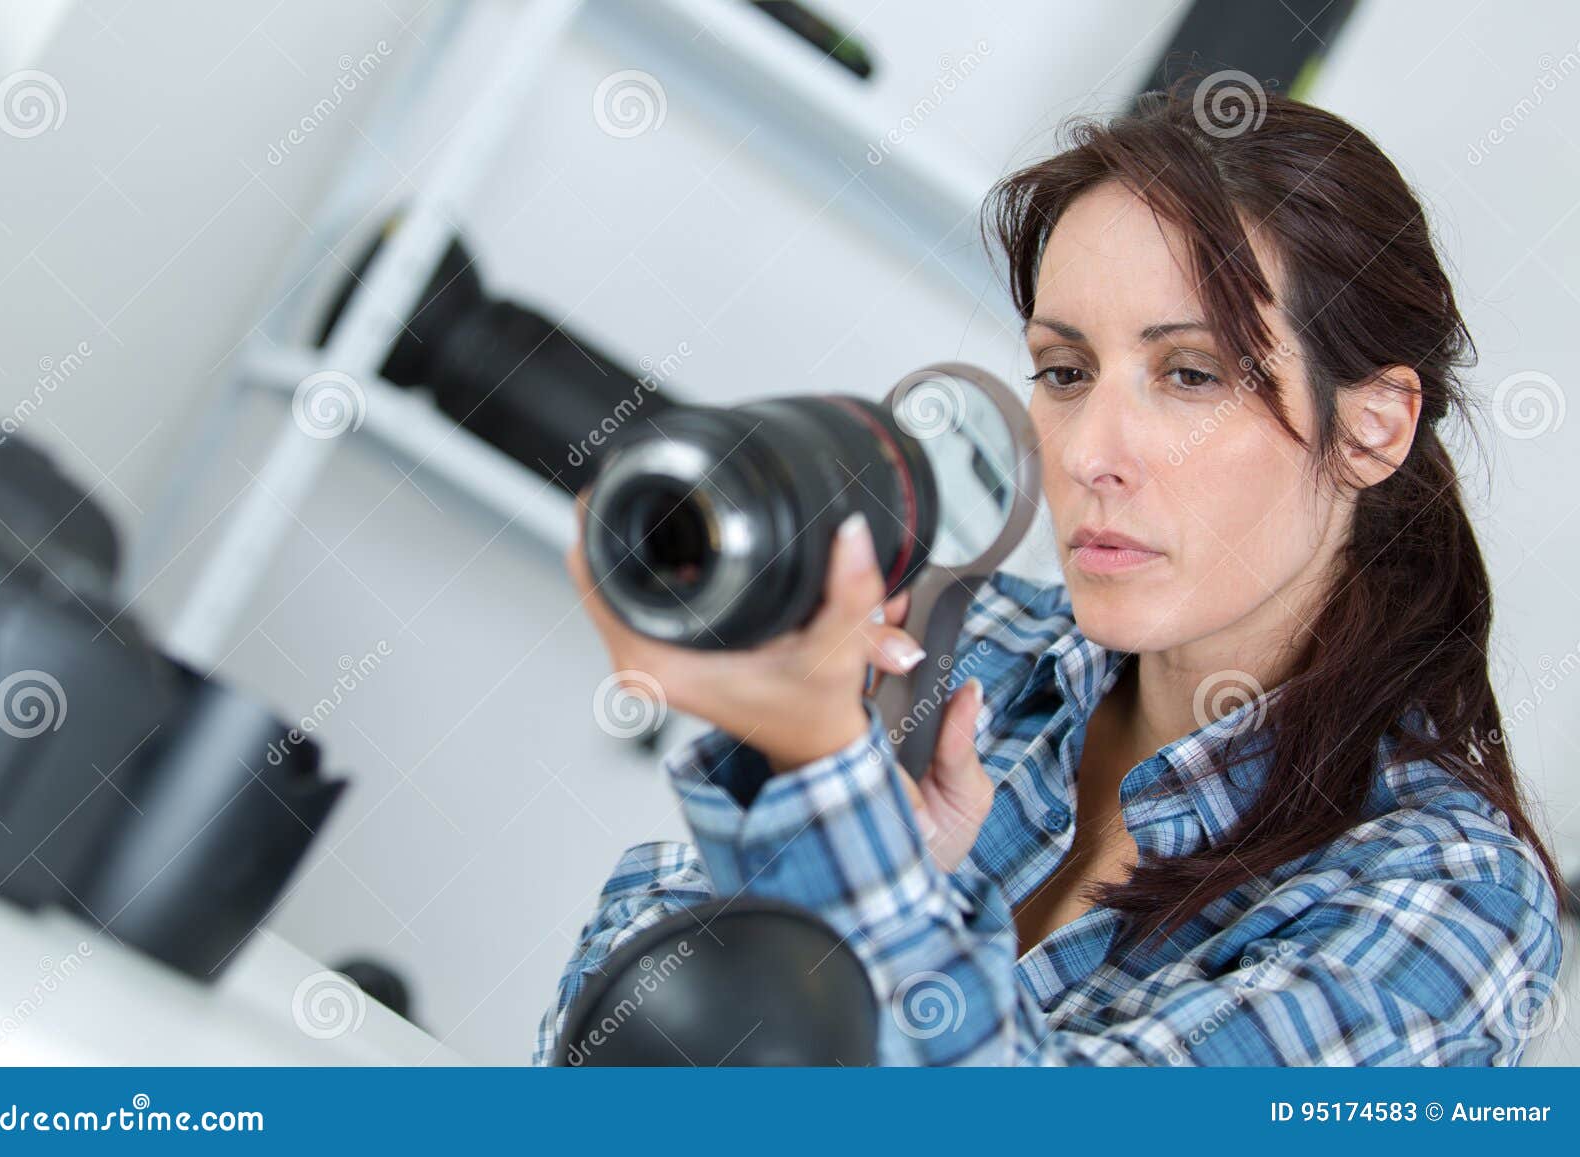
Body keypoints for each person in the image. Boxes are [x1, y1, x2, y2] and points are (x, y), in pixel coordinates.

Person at [534, 83, 1563, 1066]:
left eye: (1190, 374)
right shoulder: (973, 655)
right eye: (1064, 371)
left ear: (1372, 427)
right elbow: (611, 1020)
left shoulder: (1448, 897)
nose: (1085, 452)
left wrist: (835, 827)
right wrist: (825, 817)